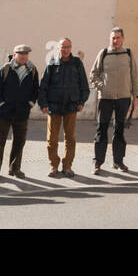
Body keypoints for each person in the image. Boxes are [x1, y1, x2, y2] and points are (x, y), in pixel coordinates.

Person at [90, 27, 138, 174]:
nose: (115, 40)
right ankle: (97, 163)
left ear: (122, 39)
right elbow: (93, 75)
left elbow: (134, 77)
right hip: (105, 98)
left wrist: (136, 95)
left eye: (118, 37)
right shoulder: (104, 53)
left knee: (119, 131)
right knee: (101, 130)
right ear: (110, 39)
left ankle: (118, 161)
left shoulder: (128, 54)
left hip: (123, 98)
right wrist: (102, 87)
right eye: (113, 38)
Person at [38, 37, 89, 177]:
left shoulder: (77, 63)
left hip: (71, 107)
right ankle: (53, 166)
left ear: (71, 48)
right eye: (62, 47)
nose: (65, 49)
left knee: (70, 139)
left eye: (67, 47)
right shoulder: (52, 63)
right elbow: (43, 85)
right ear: (58, 48)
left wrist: (81, 102)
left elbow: (84, 85)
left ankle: (67, 166)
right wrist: (43, 104)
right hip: (54, 107)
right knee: (52, 139)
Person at [0, 44, 39, 181]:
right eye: (21, 54)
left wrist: (30, 104)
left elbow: (35, 89)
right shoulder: (5, 69)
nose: (24, 56)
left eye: (26, 54)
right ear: (14, 54)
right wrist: (1, 104)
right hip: (4, 113)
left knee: (19, 142)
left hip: (22, 113)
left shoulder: (32, 70)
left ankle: (15, 168)